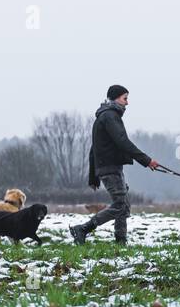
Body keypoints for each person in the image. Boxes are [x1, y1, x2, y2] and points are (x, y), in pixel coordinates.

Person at [69, 84, 161, 245]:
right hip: (110, 168)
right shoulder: (110, 116)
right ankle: (83, 229)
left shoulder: (104, 117)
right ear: (116, 98)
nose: (127, 103)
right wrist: (147, 161)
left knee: (123, 205)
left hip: (109, 168)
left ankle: (120, 240)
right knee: (120, 205)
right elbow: (122, 141)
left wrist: (93, 176)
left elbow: (93, 149)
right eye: (125, 98)